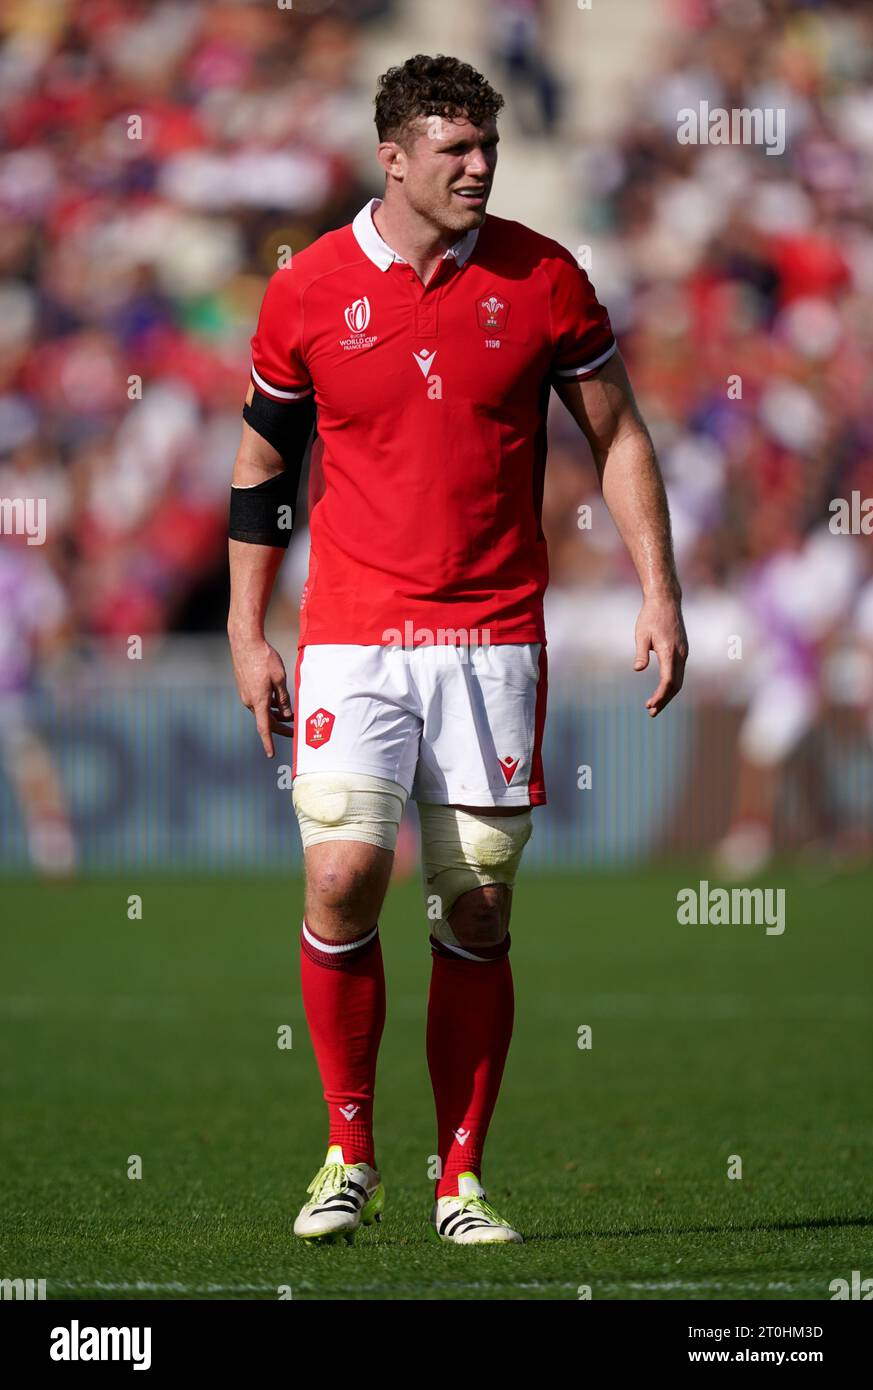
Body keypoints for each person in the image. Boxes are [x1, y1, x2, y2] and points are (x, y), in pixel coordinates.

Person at [227, 54, 687, 1245]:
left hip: (491, 636)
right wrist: (246, 621)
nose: (481, 166)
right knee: (340, 875)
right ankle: (349, 1148)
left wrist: (659, 590)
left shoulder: (544, 280)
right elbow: (265, 466)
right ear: (394, 158)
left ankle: (460, 1178)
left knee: (476, 908)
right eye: (456, 151)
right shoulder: (310, 291)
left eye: (489, 149)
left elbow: (620, 434)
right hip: (352, 631)